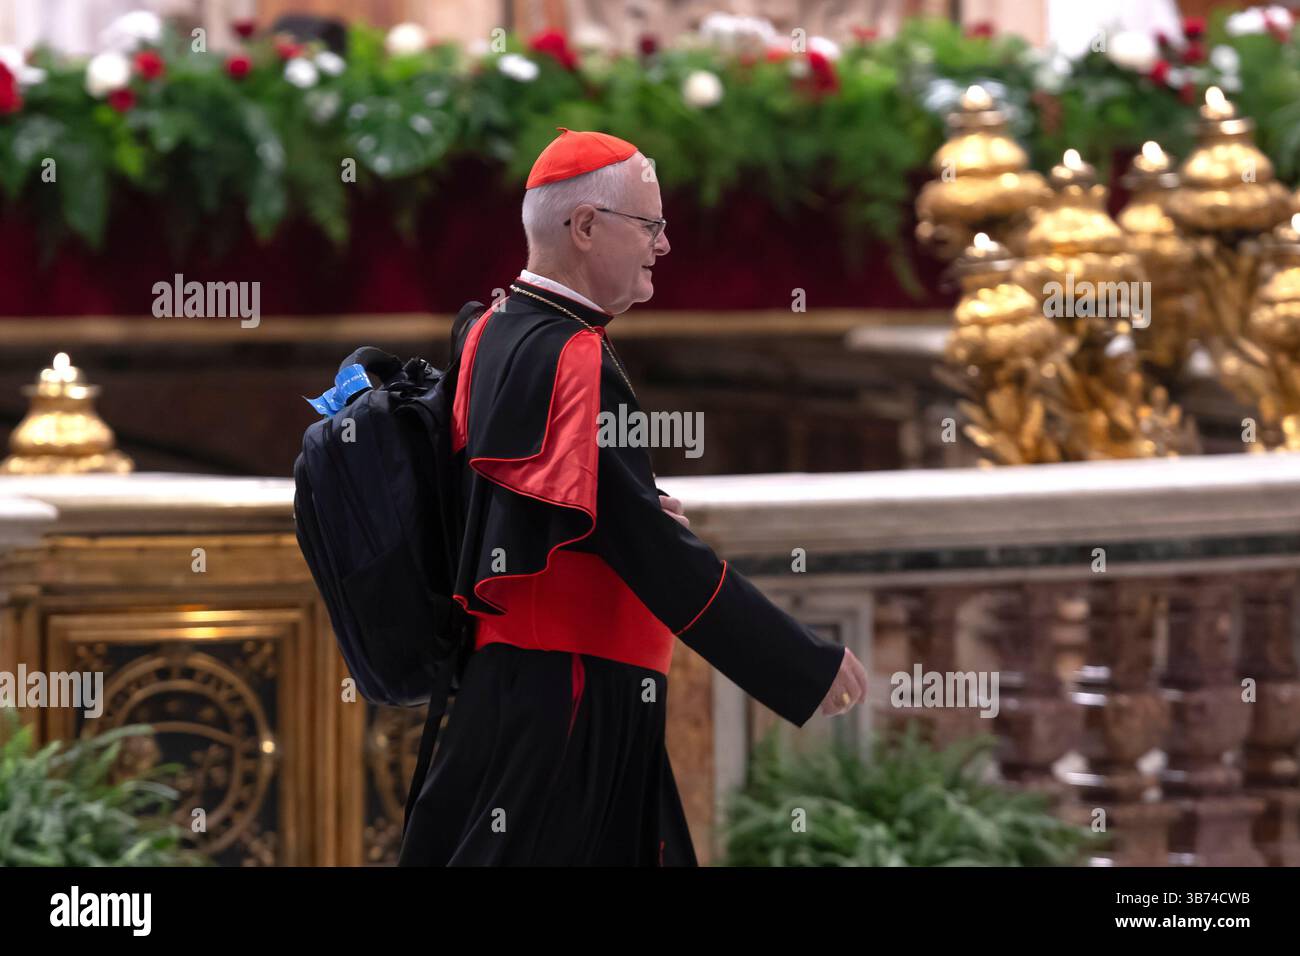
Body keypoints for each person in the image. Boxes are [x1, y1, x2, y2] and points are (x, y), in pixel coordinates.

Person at [398, 128, 868, 866]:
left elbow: (523, 507)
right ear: (585, 227)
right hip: (575, 699)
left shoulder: (488, 329)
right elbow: (652, 556)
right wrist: (799, 661)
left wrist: (625, 506)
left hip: (517, 686)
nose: (664, 245)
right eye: (650, 225)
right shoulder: (574, 354)